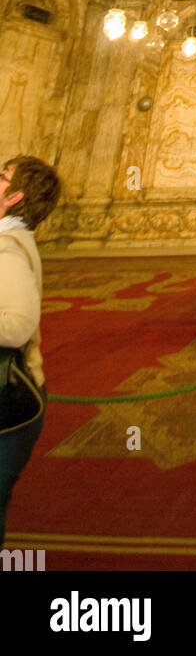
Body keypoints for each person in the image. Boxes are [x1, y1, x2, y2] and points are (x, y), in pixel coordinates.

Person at [0, 154, 61, 546]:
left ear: (14, 195)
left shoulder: (5, 248)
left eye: (1, 175)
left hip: (10, 400)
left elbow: (18, 323)